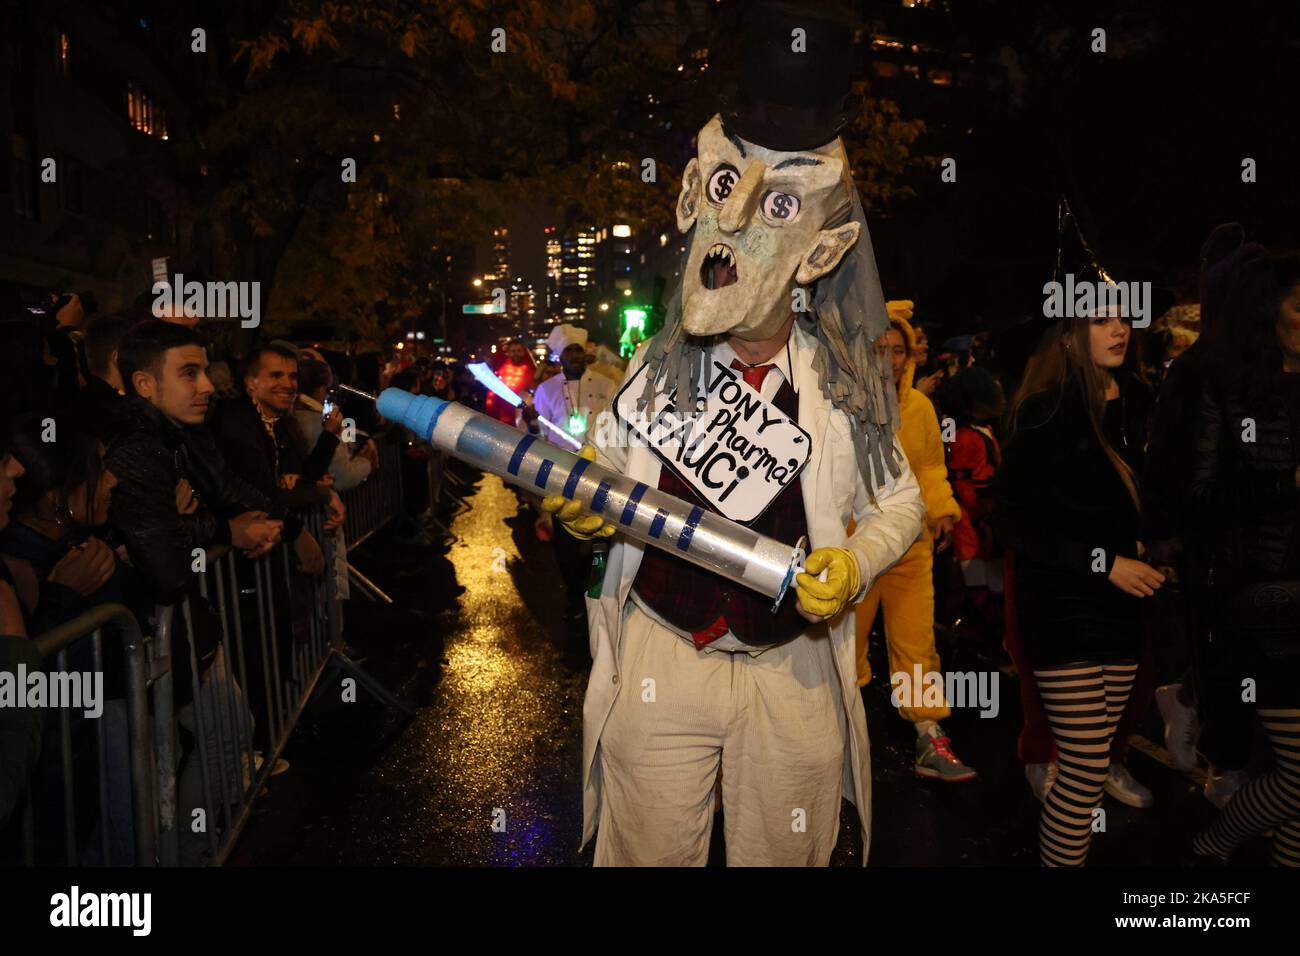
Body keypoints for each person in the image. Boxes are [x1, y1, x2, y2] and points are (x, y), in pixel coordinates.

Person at [545, 4, 924, 866]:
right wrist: (583, 504)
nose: (743, 227)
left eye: (778, 204)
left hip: (789, 669)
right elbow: (603, 465)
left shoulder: (840, 384)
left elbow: (899, 499)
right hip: (663, 656)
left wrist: (856, 563)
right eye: (728, 192)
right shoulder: (655, 367)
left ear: (818, 249)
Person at [995, 303, 1165, 866]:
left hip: (1123, 608)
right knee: (1087, 764)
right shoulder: (1043, 413)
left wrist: (1144, 542)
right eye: (1100, 319)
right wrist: (1106, 562)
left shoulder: (1139, 402)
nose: (1119, 329)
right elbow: (1018, 527)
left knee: (1090, 762)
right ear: (1068, 334)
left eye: (1123, 319)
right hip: (1063, 606)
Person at [1188, 253, 1300, 866]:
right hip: (1267, 605)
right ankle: (1212, 844)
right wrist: (1288, 483)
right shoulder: (1231, 389)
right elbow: (1200, 498)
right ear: (1271, 314)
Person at [856, 301, 975, 782]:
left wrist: (943, 511)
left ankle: (929, 735)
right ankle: (840, 736)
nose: (890, 359)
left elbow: (929, 467)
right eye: (880, 349)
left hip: (910, 545)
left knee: (916, 641)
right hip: (855, 547)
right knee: (845, 643)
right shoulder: (844, 401)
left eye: (898, 349)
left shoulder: (921, 407)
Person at [522, 324, 617, 650]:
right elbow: (536, 437)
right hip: (562, 476)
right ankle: (576, 597)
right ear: (559, 357)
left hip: (600, 472)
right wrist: (532, 421)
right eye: (568, 352)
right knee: (565, 544)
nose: (575, 356)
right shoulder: (547, 390)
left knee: (602, 539)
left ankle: (600, 598)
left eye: (578, 350)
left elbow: (617, 427)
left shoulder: (606, 385)